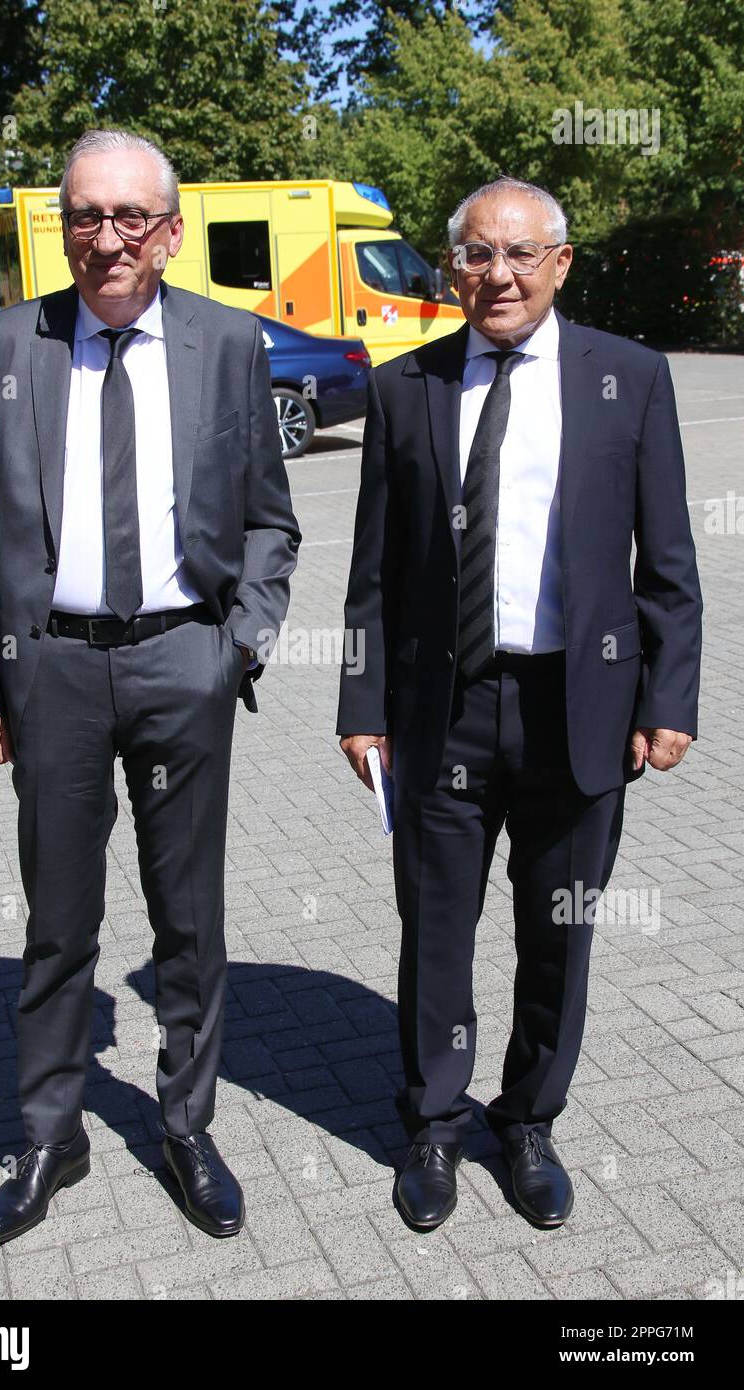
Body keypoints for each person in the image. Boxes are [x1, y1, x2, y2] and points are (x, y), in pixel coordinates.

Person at [0, 128, 300, 1247]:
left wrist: (236, 643)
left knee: (187, 918)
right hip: (47, 670)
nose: (104, 238)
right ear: (62, 225)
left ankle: (185, 1123)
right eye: (83, 216)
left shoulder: (228, 343)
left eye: (128, 217)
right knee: (58, 919)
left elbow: (268, 519)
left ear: (170, 232)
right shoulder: (5, 346)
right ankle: (50, 1129)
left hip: (181, 660)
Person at [337, 176, 701, 1232]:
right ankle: (435, 1123)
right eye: (475, 255)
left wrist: (666, 694)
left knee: (558, 932)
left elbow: (666, 557)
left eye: (518, 254)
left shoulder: (624, 379)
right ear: (451, 268)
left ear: (559, 262)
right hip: (438, 709)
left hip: (576, 707)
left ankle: (529, 1118)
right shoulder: (406, 386)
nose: (495, 274)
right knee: (434, 932)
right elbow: (371, 569)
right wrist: (360, 703)